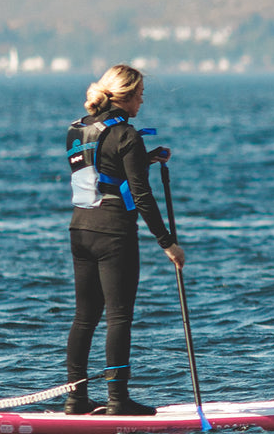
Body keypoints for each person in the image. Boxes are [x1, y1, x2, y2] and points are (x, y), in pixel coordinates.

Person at [64, 64, 185, 416]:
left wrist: (145, 158)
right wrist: (168, 243)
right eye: (141, 93)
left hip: (80, 229)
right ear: (127, 95)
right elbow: (141, 195)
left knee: (84, 317)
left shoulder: (77, 130)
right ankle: (118, 401)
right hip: (114, 233)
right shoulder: (128, 135)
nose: (143, 100)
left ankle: (76, 399)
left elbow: (105, 168)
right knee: (119, 317)